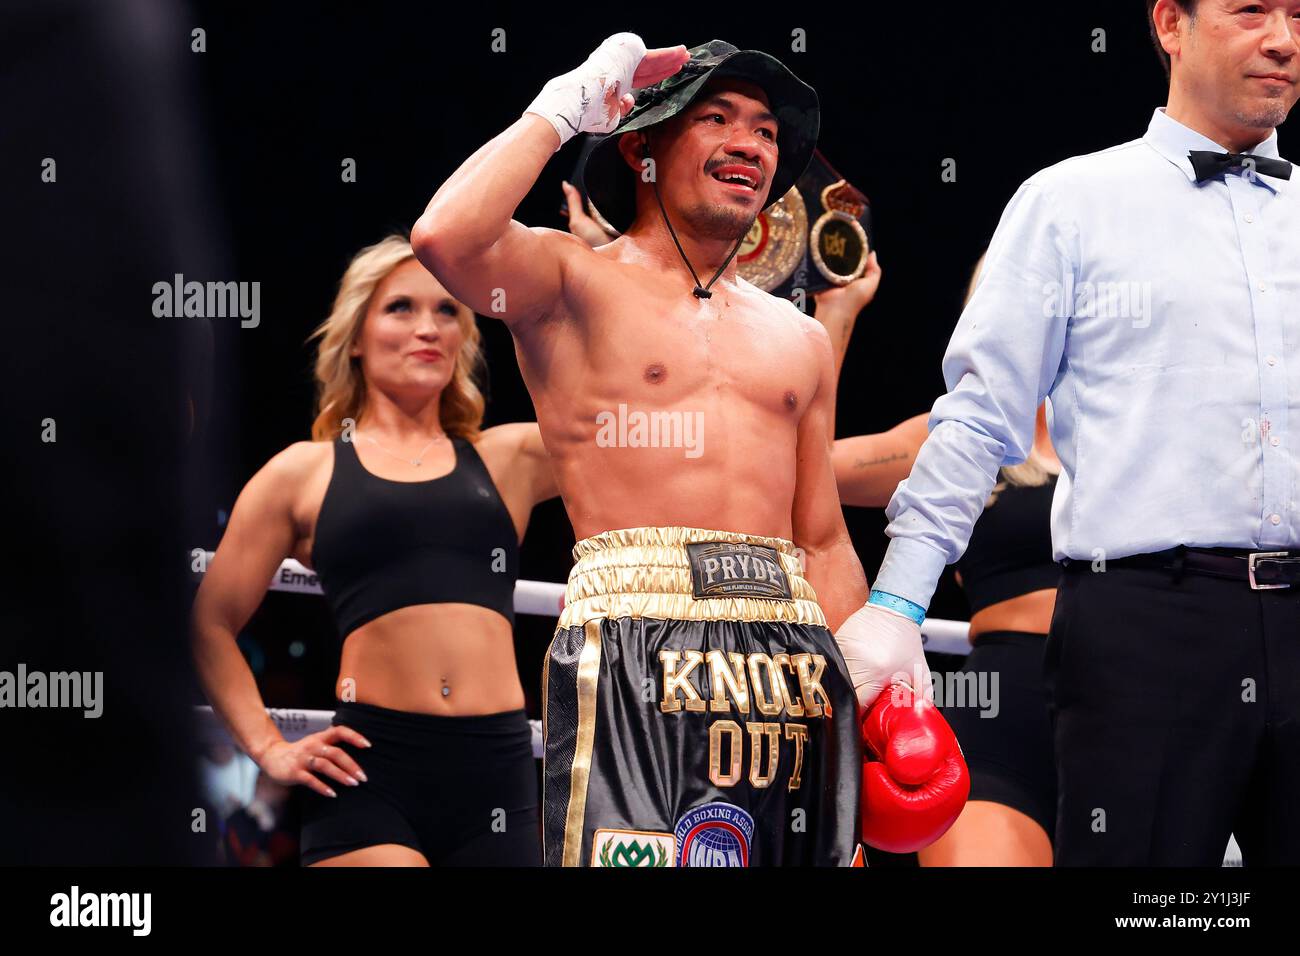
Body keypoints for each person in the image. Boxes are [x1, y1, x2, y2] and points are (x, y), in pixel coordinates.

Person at [413, 35, 967, 866]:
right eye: (717, 118)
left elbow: (818, 536)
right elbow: (443, 238)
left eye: (767, 131)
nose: (751, 141)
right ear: (642, 148)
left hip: (790, 653)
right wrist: (565, 105)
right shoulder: (568, 282)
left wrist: (877, 680)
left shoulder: (800, 339)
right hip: (636, 641)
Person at [865, 0, 1300, 864]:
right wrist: (896, 605)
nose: (1284, 40)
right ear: (1170, 24)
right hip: (1145, 626)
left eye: (1297, 14)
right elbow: (981, 416)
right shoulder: (1071, 202)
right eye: (1251, 11)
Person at [191, 235, 558, 866]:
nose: (428, 328)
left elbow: (625, 416)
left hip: (498, 771)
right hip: (370, 772)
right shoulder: (302, 473)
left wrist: (594, 282)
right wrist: (270, 747)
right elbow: (209, 623)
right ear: (355, 337)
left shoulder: (510, 458)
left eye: (448, 311)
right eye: (400, 309)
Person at [817, 258, 1060, 866]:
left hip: (1147, 698)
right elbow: (804, 465)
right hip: (1005, 706)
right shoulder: (955, 440)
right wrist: (837, 316)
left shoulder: (1141, 435)